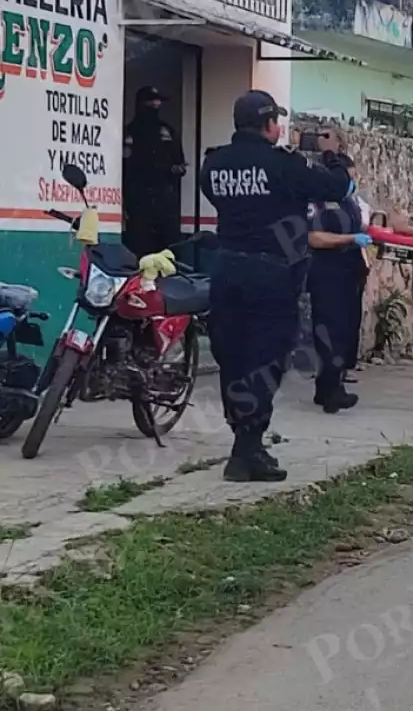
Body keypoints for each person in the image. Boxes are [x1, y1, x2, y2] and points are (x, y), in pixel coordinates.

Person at [199, 90, 354, 482]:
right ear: (269, 124)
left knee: (233, 359)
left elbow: (216, 196)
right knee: (266, 359)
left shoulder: (214, 163)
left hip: (226, 270)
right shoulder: (282, 164)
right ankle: (248, 448)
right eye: (277, 121)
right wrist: (333, 155)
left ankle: (243, 444)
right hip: (270, 276)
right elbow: (337, 188)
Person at [306, 127, 371, 414]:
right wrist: (350, 239)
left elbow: (361, 226)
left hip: (350, 272)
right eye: (349, 177)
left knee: (345, 332)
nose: (353, 182)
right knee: (330, 333)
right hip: (327, 272)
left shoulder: (349, 202)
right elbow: (314, 238)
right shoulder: (318, 201)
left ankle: (327, 387)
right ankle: (333, 393)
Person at [123, 86, 186, 257]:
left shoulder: (168, 131)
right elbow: (124, 168)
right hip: (138, 199)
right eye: (151, 101)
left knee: (169, 251)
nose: (156, 104)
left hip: (165, 199)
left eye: (158, 101)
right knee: (140, 248)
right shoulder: (129, 132)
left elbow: (180, 164)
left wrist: (174, 171)